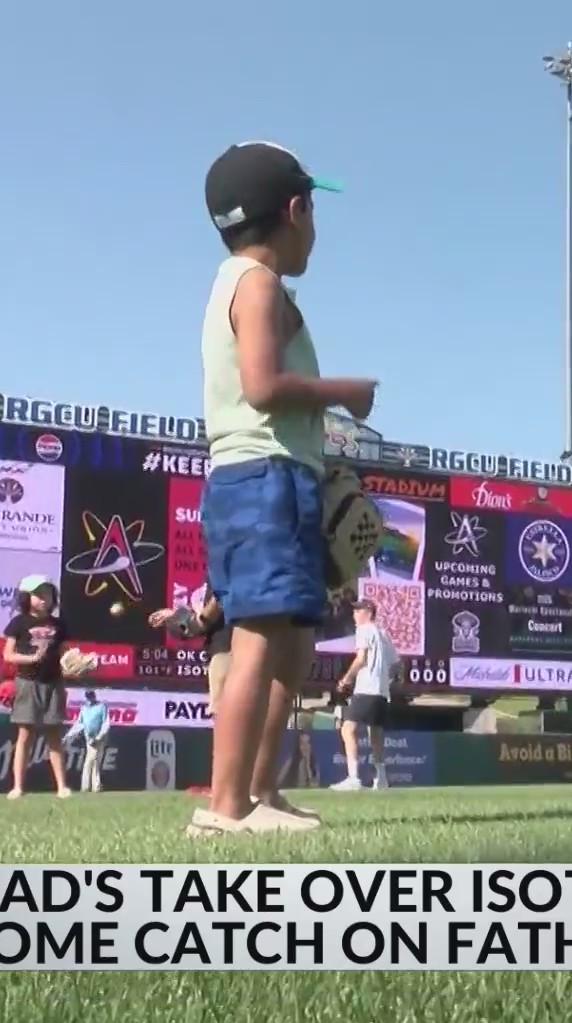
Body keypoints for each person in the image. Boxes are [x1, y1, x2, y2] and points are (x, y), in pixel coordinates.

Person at [193, 141, 377, 837]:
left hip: (280, 475)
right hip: (259, 477)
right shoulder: (258, 284)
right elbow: (263, 389)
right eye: (313, 212)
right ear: (296, 210)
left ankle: (261, 796)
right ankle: (225, 807)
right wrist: (346, 395)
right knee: (260, 644)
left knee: (295, 645)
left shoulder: (241, 283)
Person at [0, 575, 74, 798]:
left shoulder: (59, 625)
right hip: (28, 682)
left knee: (54, 736)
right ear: (26, 598)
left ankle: (61, 787)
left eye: (48, 594)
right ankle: (18, 787)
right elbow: (8, 655)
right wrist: (32, 659)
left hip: (54, 682)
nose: (44, 599)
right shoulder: (18, 623)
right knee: (25, 735)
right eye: (38, 595)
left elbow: (65, 653)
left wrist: (75, 663)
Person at [332, 599, 395, 791]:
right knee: (375, 733)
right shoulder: (384, 634)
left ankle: (353, 778)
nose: (354, 614)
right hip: (382, 692)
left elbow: (361, 659)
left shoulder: (365, 629)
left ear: (368, 611)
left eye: (358, 610)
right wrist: (386, 680)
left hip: (366, 688)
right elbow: (397, 665)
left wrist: (346, 679)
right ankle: (382, 779)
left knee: (347, 729)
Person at [63, 690, 112, 793]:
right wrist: (68, 736)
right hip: (89, 738)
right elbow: (79, 724)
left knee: (92, 760)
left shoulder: (102, 707)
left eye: (91, 696)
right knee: (92, 761)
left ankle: (91, 786)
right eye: (88, 697)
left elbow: (106, 723)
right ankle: (92, 787)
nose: (90, 699)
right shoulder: (84, 708)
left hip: (99, 738)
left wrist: (99, 736)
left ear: (94, 696)